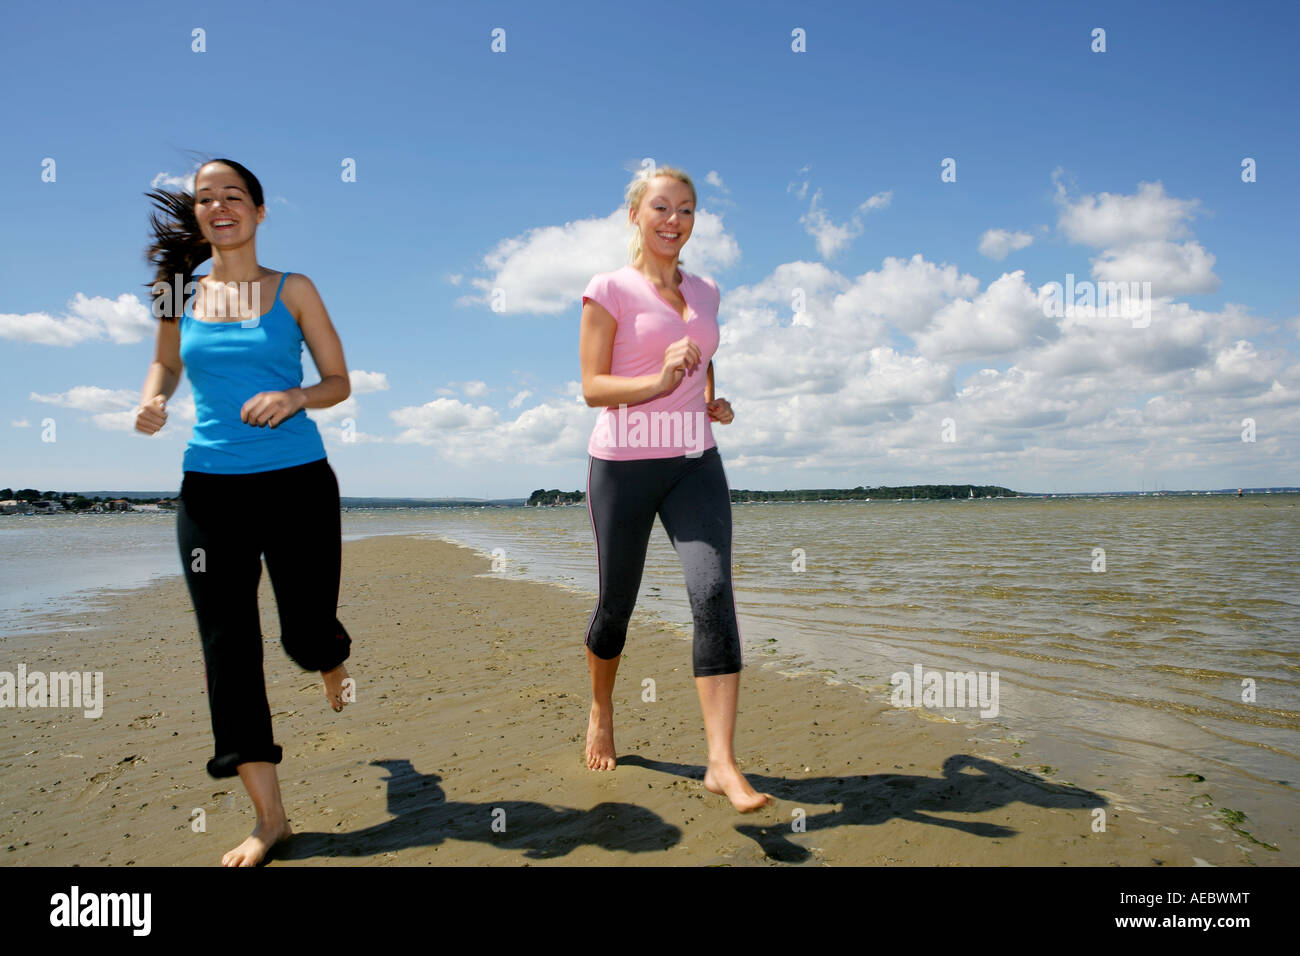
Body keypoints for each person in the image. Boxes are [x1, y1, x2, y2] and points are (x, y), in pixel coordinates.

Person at [135, 158, 354, 865]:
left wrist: (296, 397)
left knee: (306, 629)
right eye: (205, 198)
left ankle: (327, 656)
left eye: (233, 195)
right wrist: (155, 396)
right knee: (227, 647)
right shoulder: (176, 293)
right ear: (197, 216)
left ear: (259, 212)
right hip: (211, 488)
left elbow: (338, 381)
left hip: (298, 482)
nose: (218, 205)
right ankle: (271, 817)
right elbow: (166, 361)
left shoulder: (295, 290)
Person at [578, 166, 771, 812]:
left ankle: (721, 761)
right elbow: (593, 388)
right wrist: (657, 383)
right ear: (635, 213)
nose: (674, 220)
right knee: (615, 609)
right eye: (661, 207)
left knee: (713, 591)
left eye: (687, 209)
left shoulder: (709, 289)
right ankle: (601, 708)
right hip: (624, 463)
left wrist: (711, 400)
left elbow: (703, 352)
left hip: (695, 460)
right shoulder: (609, 288)